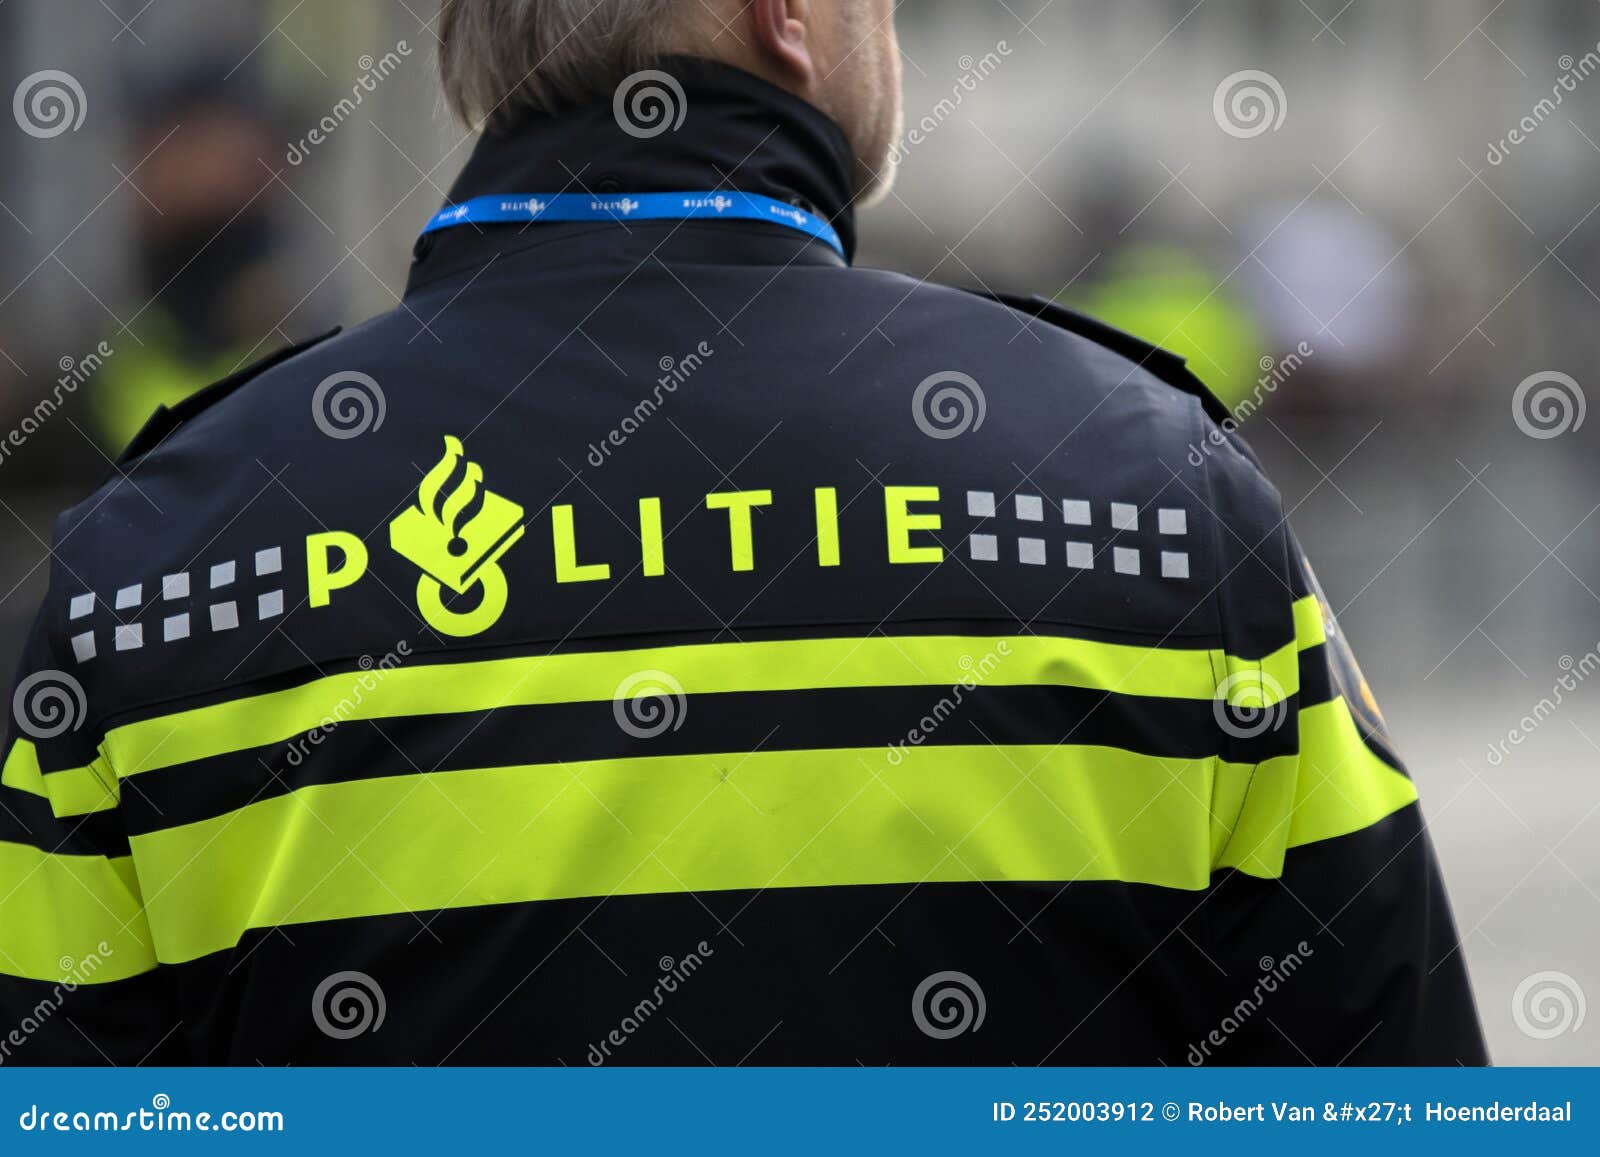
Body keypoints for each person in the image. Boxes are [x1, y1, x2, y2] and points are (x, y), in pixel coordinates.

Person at [0, 0, 1485, 1065]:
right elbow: (1397, 1075)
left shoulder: (153, 571)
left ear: (477, 70)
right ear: (787, 19)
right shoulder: (1160, 500)